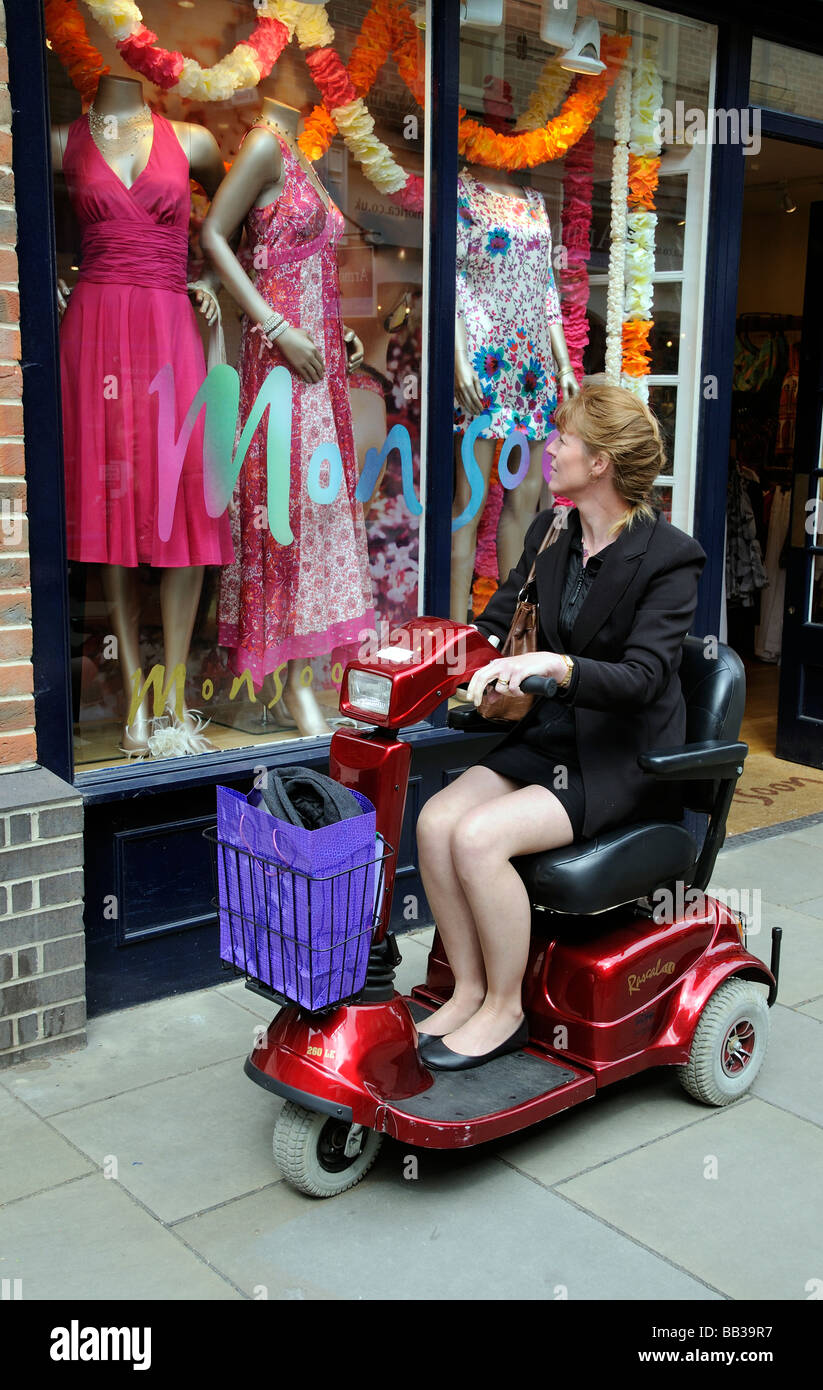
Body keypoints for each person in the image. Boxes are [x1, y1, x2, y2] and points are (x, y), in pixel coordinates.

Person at [416, 383, 707, 1071]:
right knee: (434, 823)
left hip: (618, 755)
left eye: (563, 439)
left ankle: (505, 1009)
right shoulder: (553, 529)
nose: (549, 447)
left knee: (480, 839)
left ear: (600, 461)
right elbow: (495, 625)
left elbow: (643, 680)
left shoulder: (669, 557)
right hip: (549, 737)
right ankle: (468, 988)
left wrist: (557, 664)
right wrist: (441, 660)